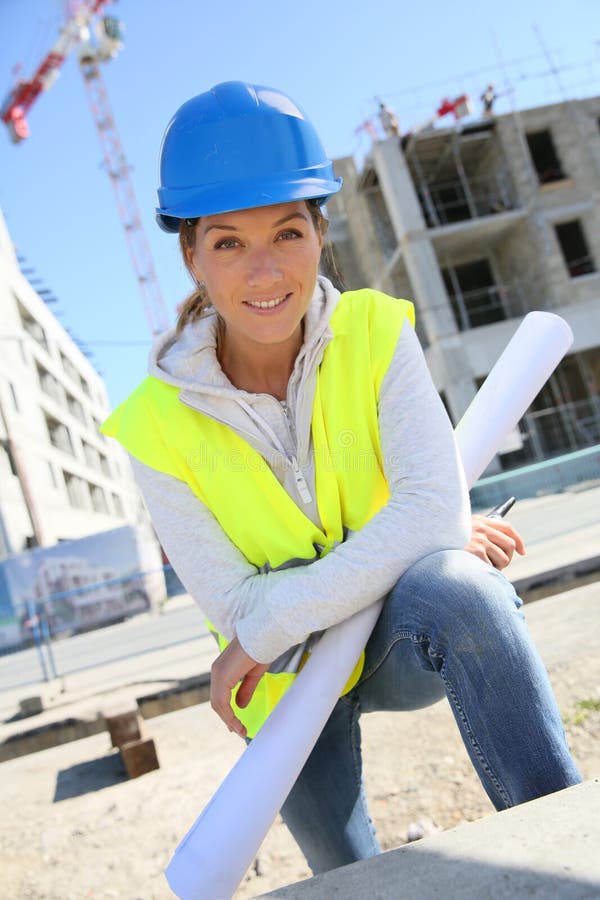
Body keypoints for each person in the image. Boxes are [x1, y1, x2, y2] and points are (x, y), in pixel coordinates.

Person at [102, 81, 581, 875]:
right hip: (282, 686)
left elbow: (422, 521)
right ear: (189, 254)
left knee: (463, 591)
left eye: (287, 232)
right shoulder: (154, 427)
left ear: (320, 232)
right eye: (227, 243)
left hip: (369, 632)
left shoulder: (373, 334)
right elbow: (235, 604)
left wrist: (434, 537)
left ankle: (568, 850)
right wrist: (427, 533)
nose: (265, 271)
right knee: (348, 877)